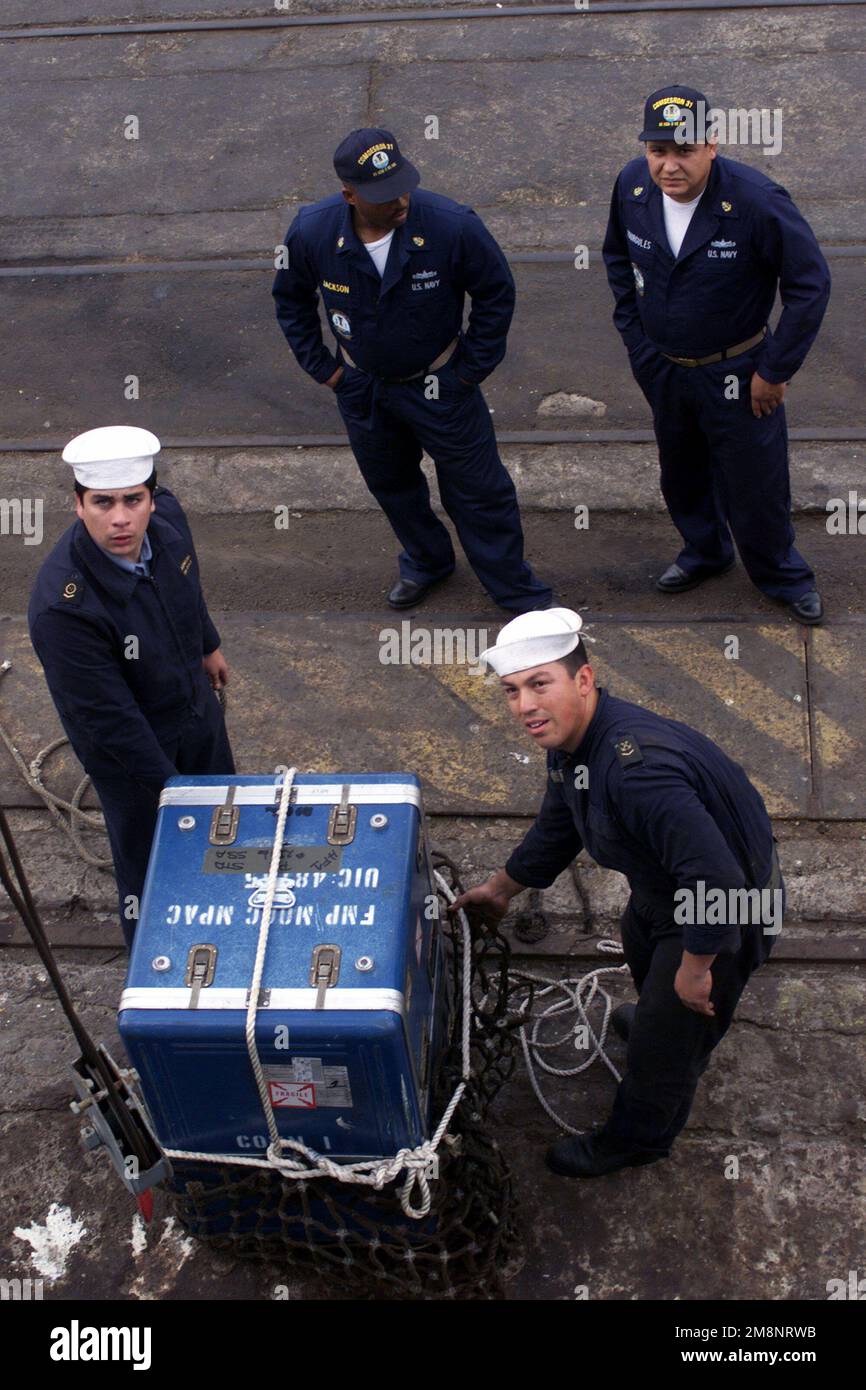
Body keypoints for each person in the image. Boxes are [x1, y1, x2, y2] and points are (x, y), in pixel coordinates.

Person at [452, 608, 782, 1177]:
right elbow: (558, 827)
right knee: (642, 957)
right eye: (511, 691)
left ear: (583, 680)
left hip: (725, 911)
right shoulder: (574, 742)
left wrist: (699, 966)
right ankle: (667, 1023)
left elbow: (719, 880)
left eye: (539, 684)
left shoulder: (636, 771)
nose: (524, 706)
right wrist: (500, 889)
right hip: (663, 892)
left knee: (665, 1043)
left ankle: (636, 1140)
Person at [272, 127, 552, 614]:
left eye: (403, 185)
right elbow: (291, 302)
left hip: (442, 386)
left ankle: (513, 589)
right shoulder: (311, 231)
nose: (400, 200)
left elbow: (495, 294)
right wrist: (329, 372)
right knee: (393, 485)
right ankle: (426, 562)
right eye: (383, 195)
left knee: (479, 490)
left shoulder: (452, 225)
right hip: (365, 389)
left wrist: (466, 372)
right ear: (350, 195)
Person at [603, 86, 831, 624]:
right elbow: (617, 258)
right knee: (680, 471)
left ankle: (780, 574)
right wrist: (636, 339)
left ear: (711, 144)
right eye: (658, 151)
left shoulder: (756, 201)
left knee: (755, 482)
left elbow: (809, 285)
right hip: (663, 366)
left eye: (683, 151)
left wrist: (774, 370)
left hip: (740, 371)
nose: (669, 166)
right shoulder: (632, 185)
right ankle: (704, 553)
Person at [28, 426, 235, 948]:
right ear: (78, 505)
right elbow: (110, 721)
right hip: (133, 757)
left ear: (151, 497)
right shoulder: (64, 607)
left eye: (132, 500)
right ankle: (155, 957)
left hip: (193, 708)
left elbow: (188, 588)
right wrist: (171, 792)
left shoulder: (167, 521)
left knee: (226, 821)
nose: (120, 518)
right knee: (150, 864)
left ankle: (229, 915)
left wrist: (207, 645)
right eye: (102, 503)